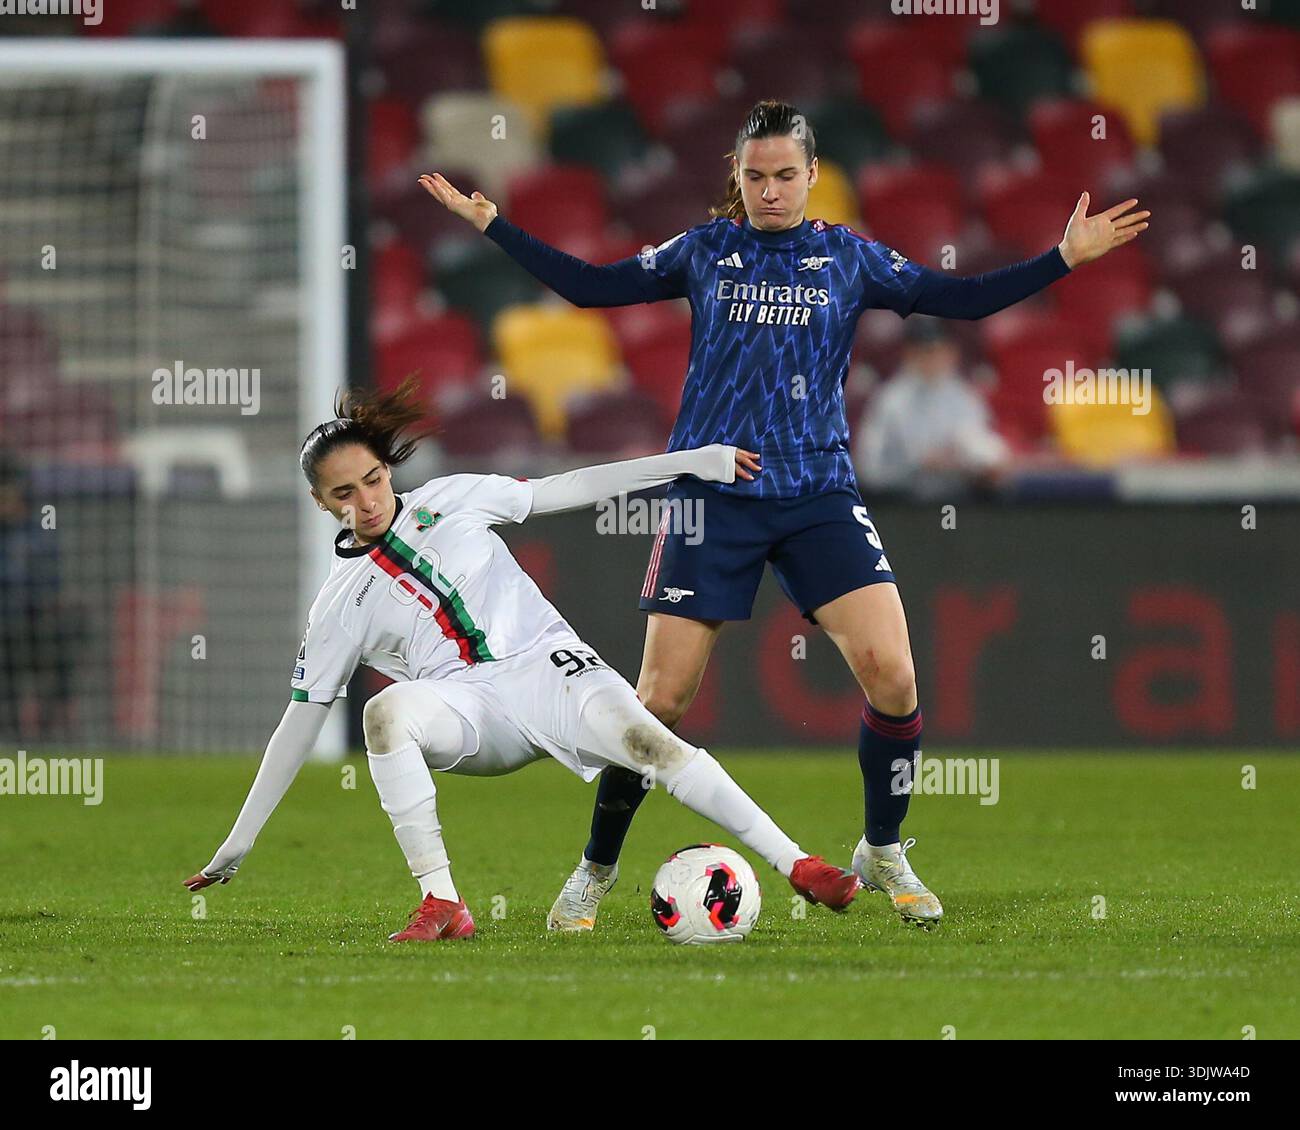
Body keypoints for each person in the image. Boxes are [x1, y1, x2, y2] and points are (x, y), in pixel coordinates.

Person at [419, 99, 1148, 929]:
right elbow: (590, 288)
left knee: (897, 677)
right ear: (738, 174)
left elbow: (963, 301)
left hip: (816, 493)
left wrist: (1062, 256)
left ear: (812, 175)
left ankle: (883, 848)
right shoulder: (705, 251)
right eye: (756, 175)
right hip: (711, 496)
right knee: (655, 703)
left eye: (785, 175)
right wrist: (493, 224)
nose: (770, 190)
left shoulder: (848, 258)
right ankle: (594, 868)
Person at [183, 381, 859, 940]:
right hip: (469, 711)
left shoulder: (453, 498)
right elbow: (300, 721)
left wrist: (690, 460)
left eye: (373, 480)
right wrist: (239, 840)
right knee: (385, 711)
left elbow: (567, 488)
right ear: (319, 502)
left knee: (651, 745)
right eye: (344, 495)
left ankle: (800, 866)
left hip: (548, 668)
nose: (367, 502)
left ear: (388, 470)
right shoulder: (335, 607)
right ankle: (443, 902)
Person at [853, 315, 1008, 495]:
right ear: (909, 353)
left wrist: (979, 464)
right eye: (925, 351)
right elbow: (868, 469)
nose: (932, 359)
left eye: (938, 350)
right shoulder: (890, 401)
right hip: (902, 507)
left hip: (957, 504)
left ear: (951, 352)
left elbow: (984, 449)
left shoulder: (964, 397)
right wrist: (917, 465)